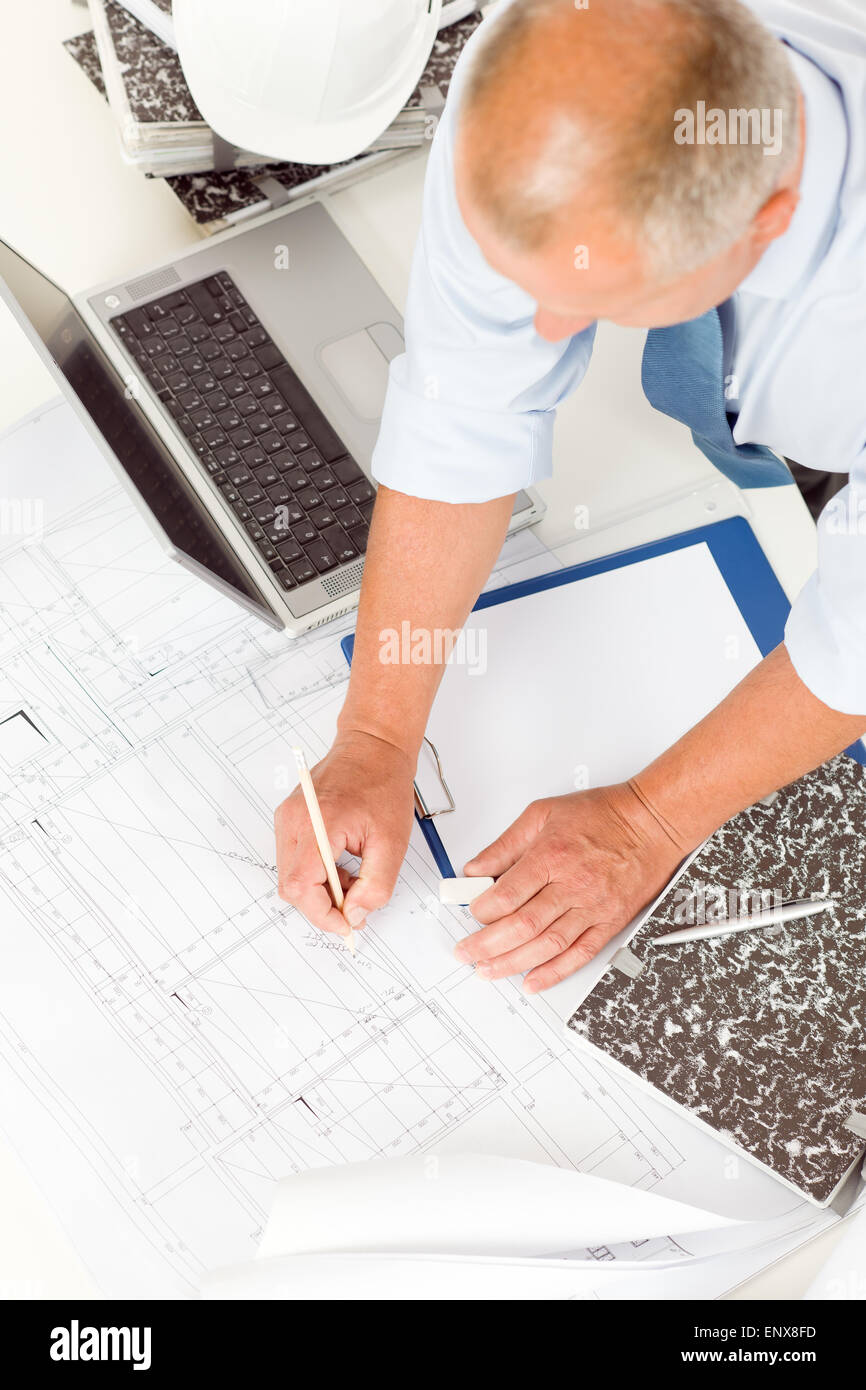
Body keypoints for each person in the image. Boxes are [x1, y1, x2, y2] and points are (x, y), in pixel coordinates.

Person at [275, 0, 866, 993]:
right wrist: (374, 736)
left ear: (767, 216)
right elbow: (464, 404)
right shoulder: (545, 65)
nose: (543, 326)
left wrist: (651, 818)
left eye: (596, 299)